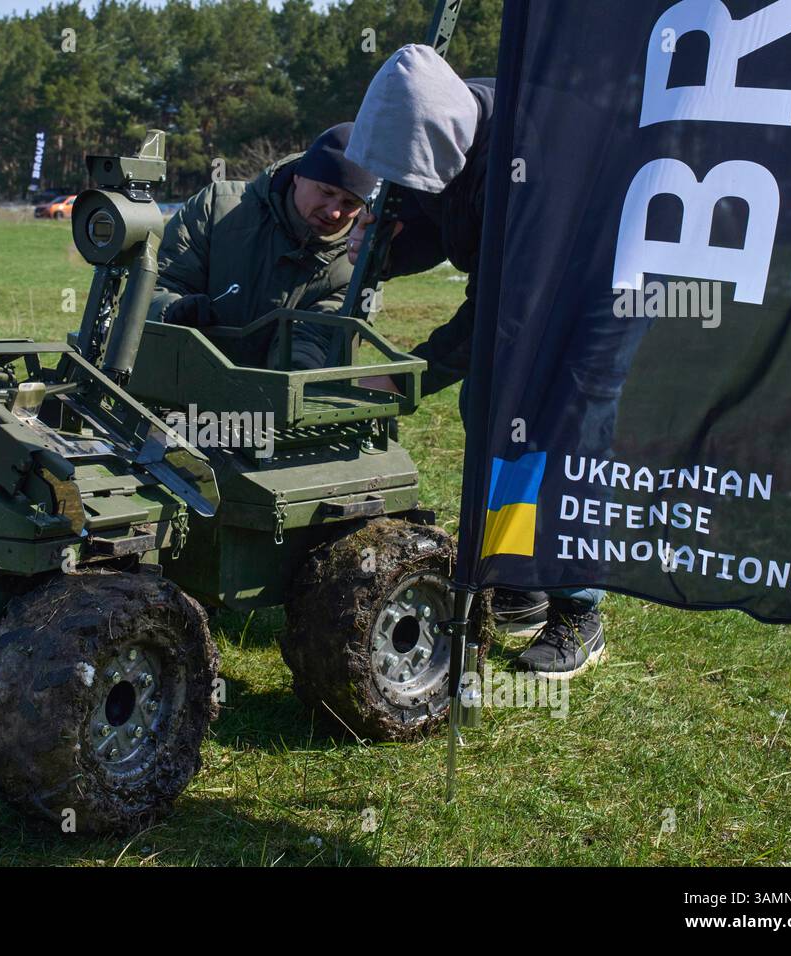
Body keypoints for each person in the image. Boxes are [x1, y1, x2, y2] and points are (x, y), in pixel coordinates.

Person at [345, 44, 606, 678]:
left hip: (597, 292)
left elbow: (497, 313)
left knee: (563, 433)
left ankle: (580, 609)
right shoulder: (443, 121)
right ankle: (523, 577)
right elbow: (441, 214)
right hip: (519, 288)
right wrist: (386, 246)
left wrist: (411, 373)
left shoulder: (531, 164)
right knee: (489, 414)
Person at [148, 122, 376, 369]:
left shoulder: (360, 261)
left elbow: (319, 336)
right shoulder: (218, 209)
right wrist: (173, 309)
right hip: (181, 381)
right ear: (299, 175)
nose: (334, 212)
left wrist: (294, 376)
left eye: (349, 203)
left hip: (276, 399)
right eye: (326, 192)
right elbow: (156, 285)